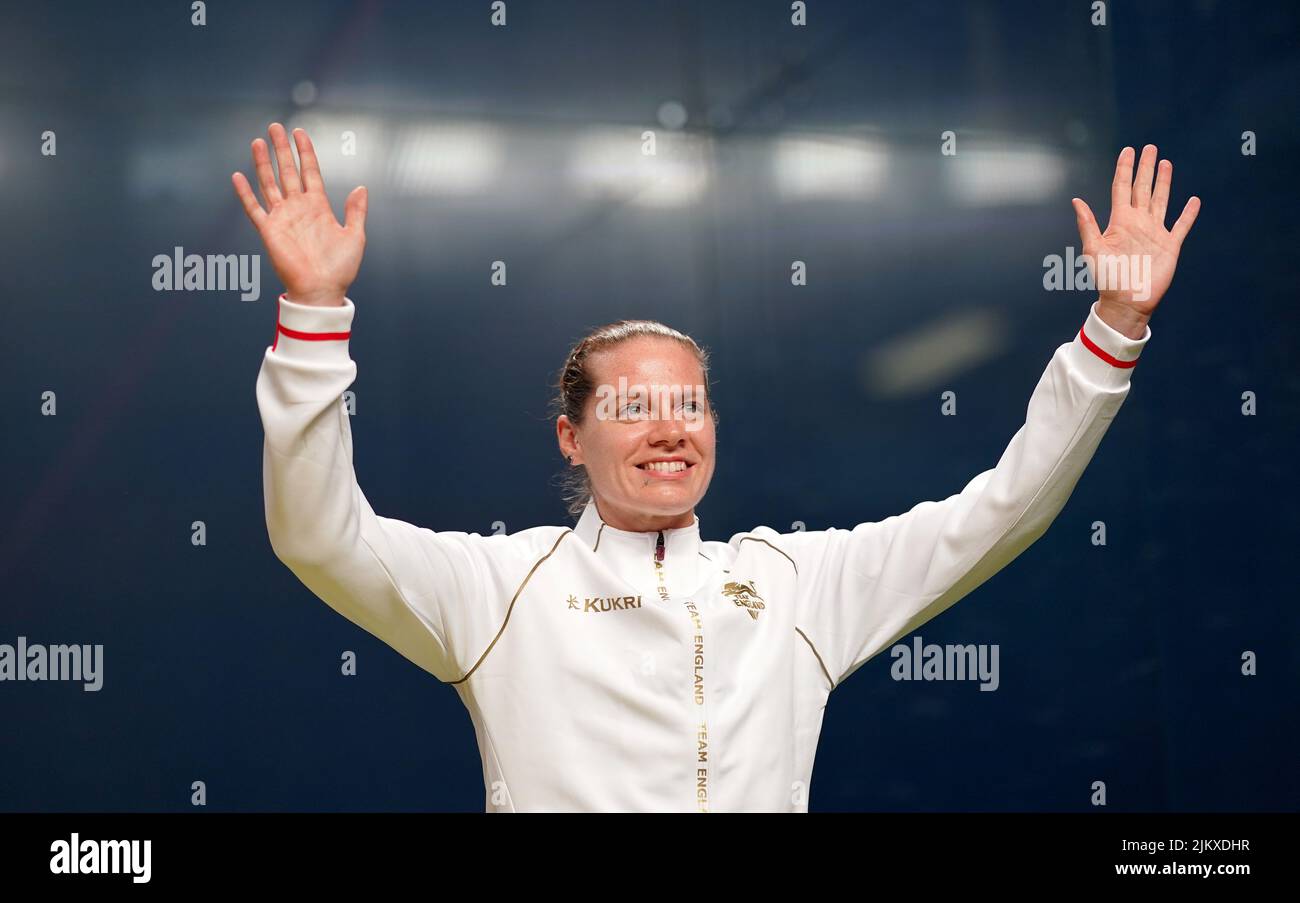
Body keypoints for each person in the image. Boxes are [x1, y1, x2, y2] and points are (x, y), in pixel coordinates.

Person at [234, 123, 1199, 812]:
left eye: (688, 404)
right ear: (571, 436)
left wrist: (1113, 327)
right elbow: (319, 535)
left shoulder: (796, 584)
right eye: (633, 406)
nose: (669, 430)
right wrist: (315, 314)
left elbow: (1004, 511)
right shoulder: (495, 589)